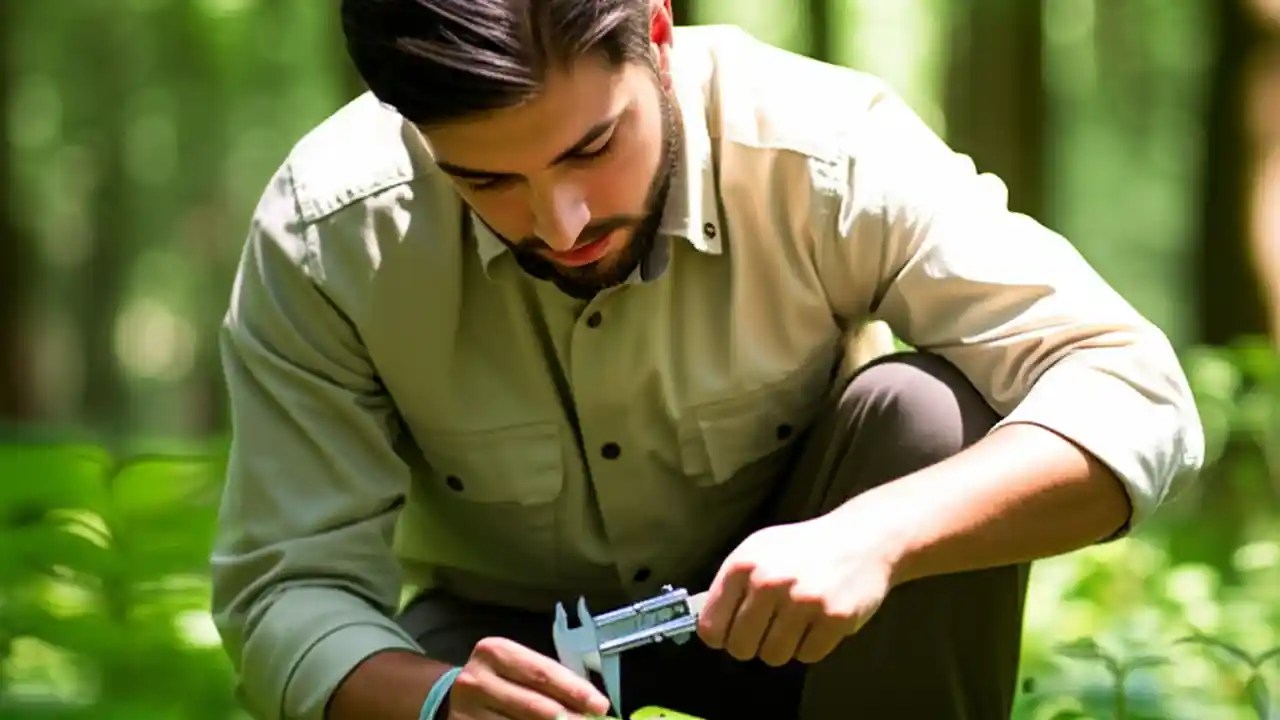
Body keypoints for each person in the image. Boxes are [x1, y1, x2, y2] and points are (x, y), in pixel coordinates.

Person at [208, 1, 1205, 718]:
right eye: (485, 179)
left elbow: (1136, 393)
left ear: (654, 30)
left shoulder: (823, 151)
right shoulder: (330, 235)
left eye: (591, 148)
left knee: (925, 417)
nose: (558, 223)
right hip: (502, 651)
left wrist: (876, 536)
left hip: (820, 620)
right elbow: (284, 589)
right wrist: (432, 704)